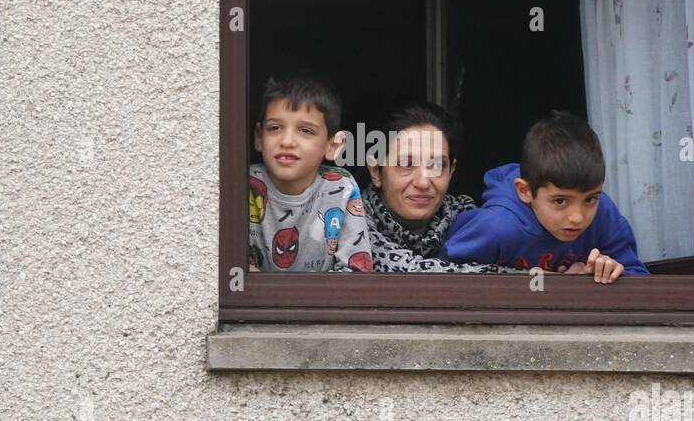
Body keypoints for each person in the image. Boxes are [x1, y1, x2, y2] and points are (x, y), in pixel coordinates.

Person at [442, 111, 648, 283]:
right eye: (560, 201)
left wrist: (607, 275)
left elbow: (641, 284)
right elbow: (442, 277)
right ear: (525, 191)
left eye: (590, 199)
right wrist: (551, 286)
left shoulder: (604, 214)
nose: (577, 217)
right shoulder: (497, 227)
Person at [363, 102, 518, 273]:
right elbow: (406, 275)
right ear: (376, 171)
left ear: (451, 171)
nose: (423, 182)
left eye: (437, 165)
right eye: (406, 164)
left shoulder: (471, 220)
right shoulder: (353, 220)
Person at [248, 73, 371, 273]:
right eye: (275, 128)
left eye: (305, 131)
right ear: (259, 137)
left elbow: (356, 272)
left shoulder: (340, 187)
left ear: (333, 146)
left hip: (323, 303)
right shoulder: (246, 185)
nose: (287, 141)